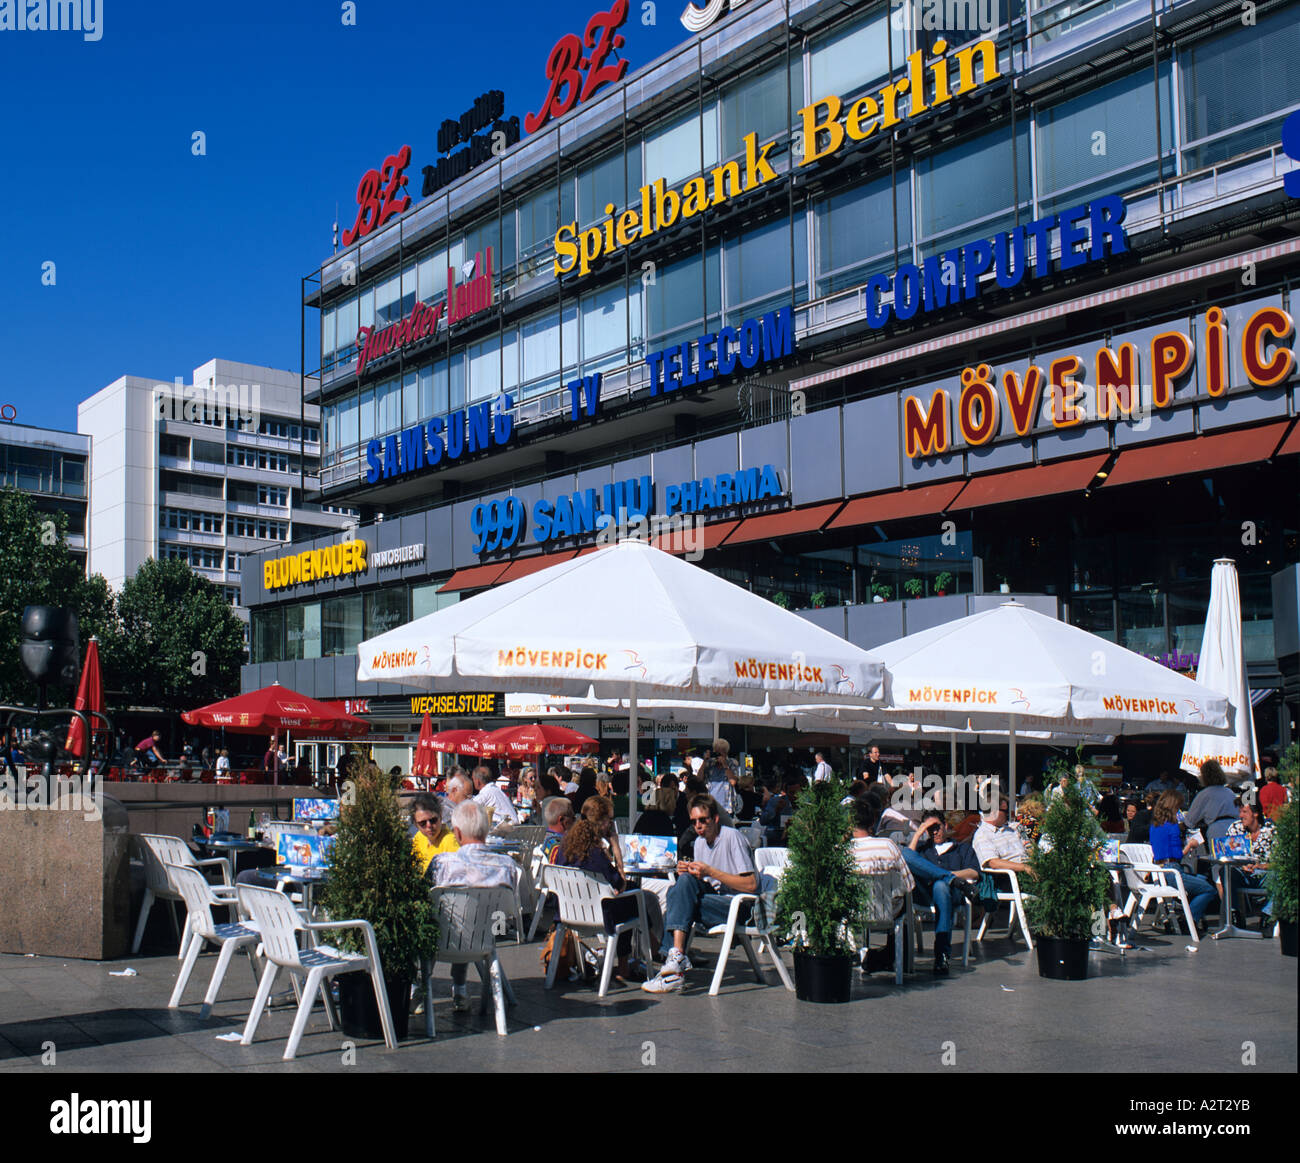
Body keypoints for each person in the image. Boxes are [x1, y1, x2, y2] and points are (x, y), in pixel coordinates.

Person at [642, 794, 758, 994]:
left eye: (703, 820)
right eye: (694, 822)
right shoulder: (699, 843)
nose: (698, 826)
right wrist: (689, 873)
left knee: (678, 898)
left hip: (740, 905)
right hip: (714, 901)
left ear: (715, 819)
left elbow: (751, 885)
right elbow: (704, 882)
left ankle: (673, 965)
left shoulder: (732, 837)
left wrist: (710, 871)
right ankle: (676, 957)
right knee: (681, 886)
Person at [557, 796, 660, 983]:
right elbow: (620, 884)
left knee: (627, 898)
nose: (611, 824)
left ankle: (643, 949)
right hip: (599, 915)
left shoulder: (565, 847)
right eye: (610, 820)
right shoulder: (595, 854)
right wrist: (615, 845)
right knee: (632, 894)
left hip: (567, 914)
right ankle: (640, 953)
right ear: (602, 823)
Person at [429, 801, 521, 1010]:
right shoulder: (507, 866)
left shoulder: (441, 864)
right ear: (486, 830)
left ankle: (419, 989)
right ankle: (460, 989)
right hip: (486, 939)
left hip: (443, 941)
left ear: (457, 833)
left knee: (450, 918)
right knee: (467, 917)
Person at [901, 811, 980, 974]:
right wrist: (918, 833)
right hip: (924, 894)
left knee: (940, 886)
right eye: (929, 829)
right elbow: (905, 859)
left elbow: (974, 872)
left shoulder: (961, 848)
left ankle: (942, 953)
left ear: (945, 825)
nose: (934, 832)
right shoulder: (923, 849)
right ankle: (949, 879)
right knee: (905, 853)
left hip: (952, 895)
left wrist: (943, 876)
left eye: (936, 827)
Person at [851, 797, 917, 974]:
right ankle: (897, 957)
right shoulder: (888, 846)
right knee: (902, 901)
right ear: (873, 821)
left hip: (852, 912)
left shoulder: (841, 851)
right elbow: (909, 884)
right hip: (888, 912)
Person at [1148, 790, 1217, 931]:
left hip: (1160, 871)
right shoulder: (1172, 826)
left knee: (1201, 879)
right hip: (1173, 871)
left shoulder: (1154, 825)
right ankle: (1189, 920)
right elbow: (1178, 855)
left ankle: (1191, 917)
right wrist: (1190, 845)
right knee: (1209, 889)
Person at [1225, 799, 1276, 925]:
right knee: (1226, 872)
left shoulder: (1270, 831)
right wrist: (1241, 866)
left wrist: (1262, 866)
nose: (1240, 815)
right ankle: (1235, 914)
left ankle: (1267, 914)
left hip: (1264, 874)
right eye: (1240, 812)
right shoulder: (1235, 828)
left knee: (1282, 876)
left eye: (1244, 812)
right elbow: (1227, 855)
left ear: (1256, 813)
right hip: (1242, 873)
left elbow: (1280, 861)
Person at [972, 796, 1035, 878]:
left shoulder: (1015, 827)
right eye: (1005, 811)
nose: (1008, 814)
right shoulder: (982, 835)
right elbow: (993, 862)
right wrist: (1024, 867)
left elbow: (1030, 847)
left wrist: (1034, 859)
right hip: (1012, 877)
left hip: (1030, 868)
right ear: (994, 812)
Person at [1185, 760, 1239, 847]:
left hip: (1217, 831)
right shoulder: (1229, 792)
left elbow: (1190, 820)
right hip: (1235, 829)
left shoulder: (1204, 794)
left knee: (1217, 858)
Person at [411, 792, 459, 873]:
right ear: (416, 824)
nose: (429, 826)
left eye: (433, 820)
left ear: (440, 816)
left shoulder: (450, 841)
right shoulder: (419, 837)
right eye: (423, 823)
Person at [702, 738, 739, 811]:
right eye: (715, 752)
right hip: (711, 806)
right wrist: (704, 761)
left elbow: (733, 782)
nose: (717, 755)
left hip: (727, 807)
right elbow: (699, 779)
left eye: (719, 753)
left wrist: (725, 765)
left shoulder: (732, 763)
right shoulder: (710, 764)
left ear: (725, 753)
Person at [540, 796, 575, 860]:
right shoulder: (561, 846)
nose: (574, 822)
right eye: (573, 818)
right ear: (562, 820)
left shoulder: (539, 838)